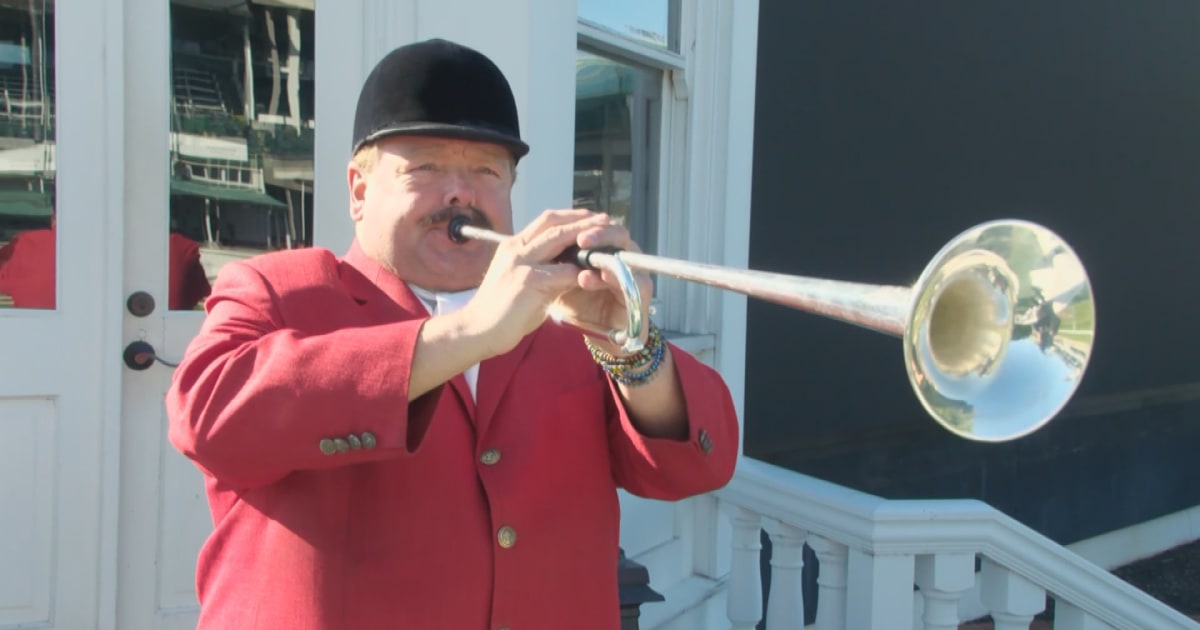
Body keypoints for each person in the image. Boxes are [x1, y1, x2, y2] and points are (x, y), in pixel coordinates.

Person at [165, 38, 739, 630]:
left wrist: (627, 341)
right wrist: (469, 332)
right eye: (426, 167)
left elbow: (698, 466)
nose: (461, 193)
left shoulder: (567, 315)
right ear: (360, 191)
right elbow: (207, 418)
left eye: (486, 171)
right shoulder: (277, 289)